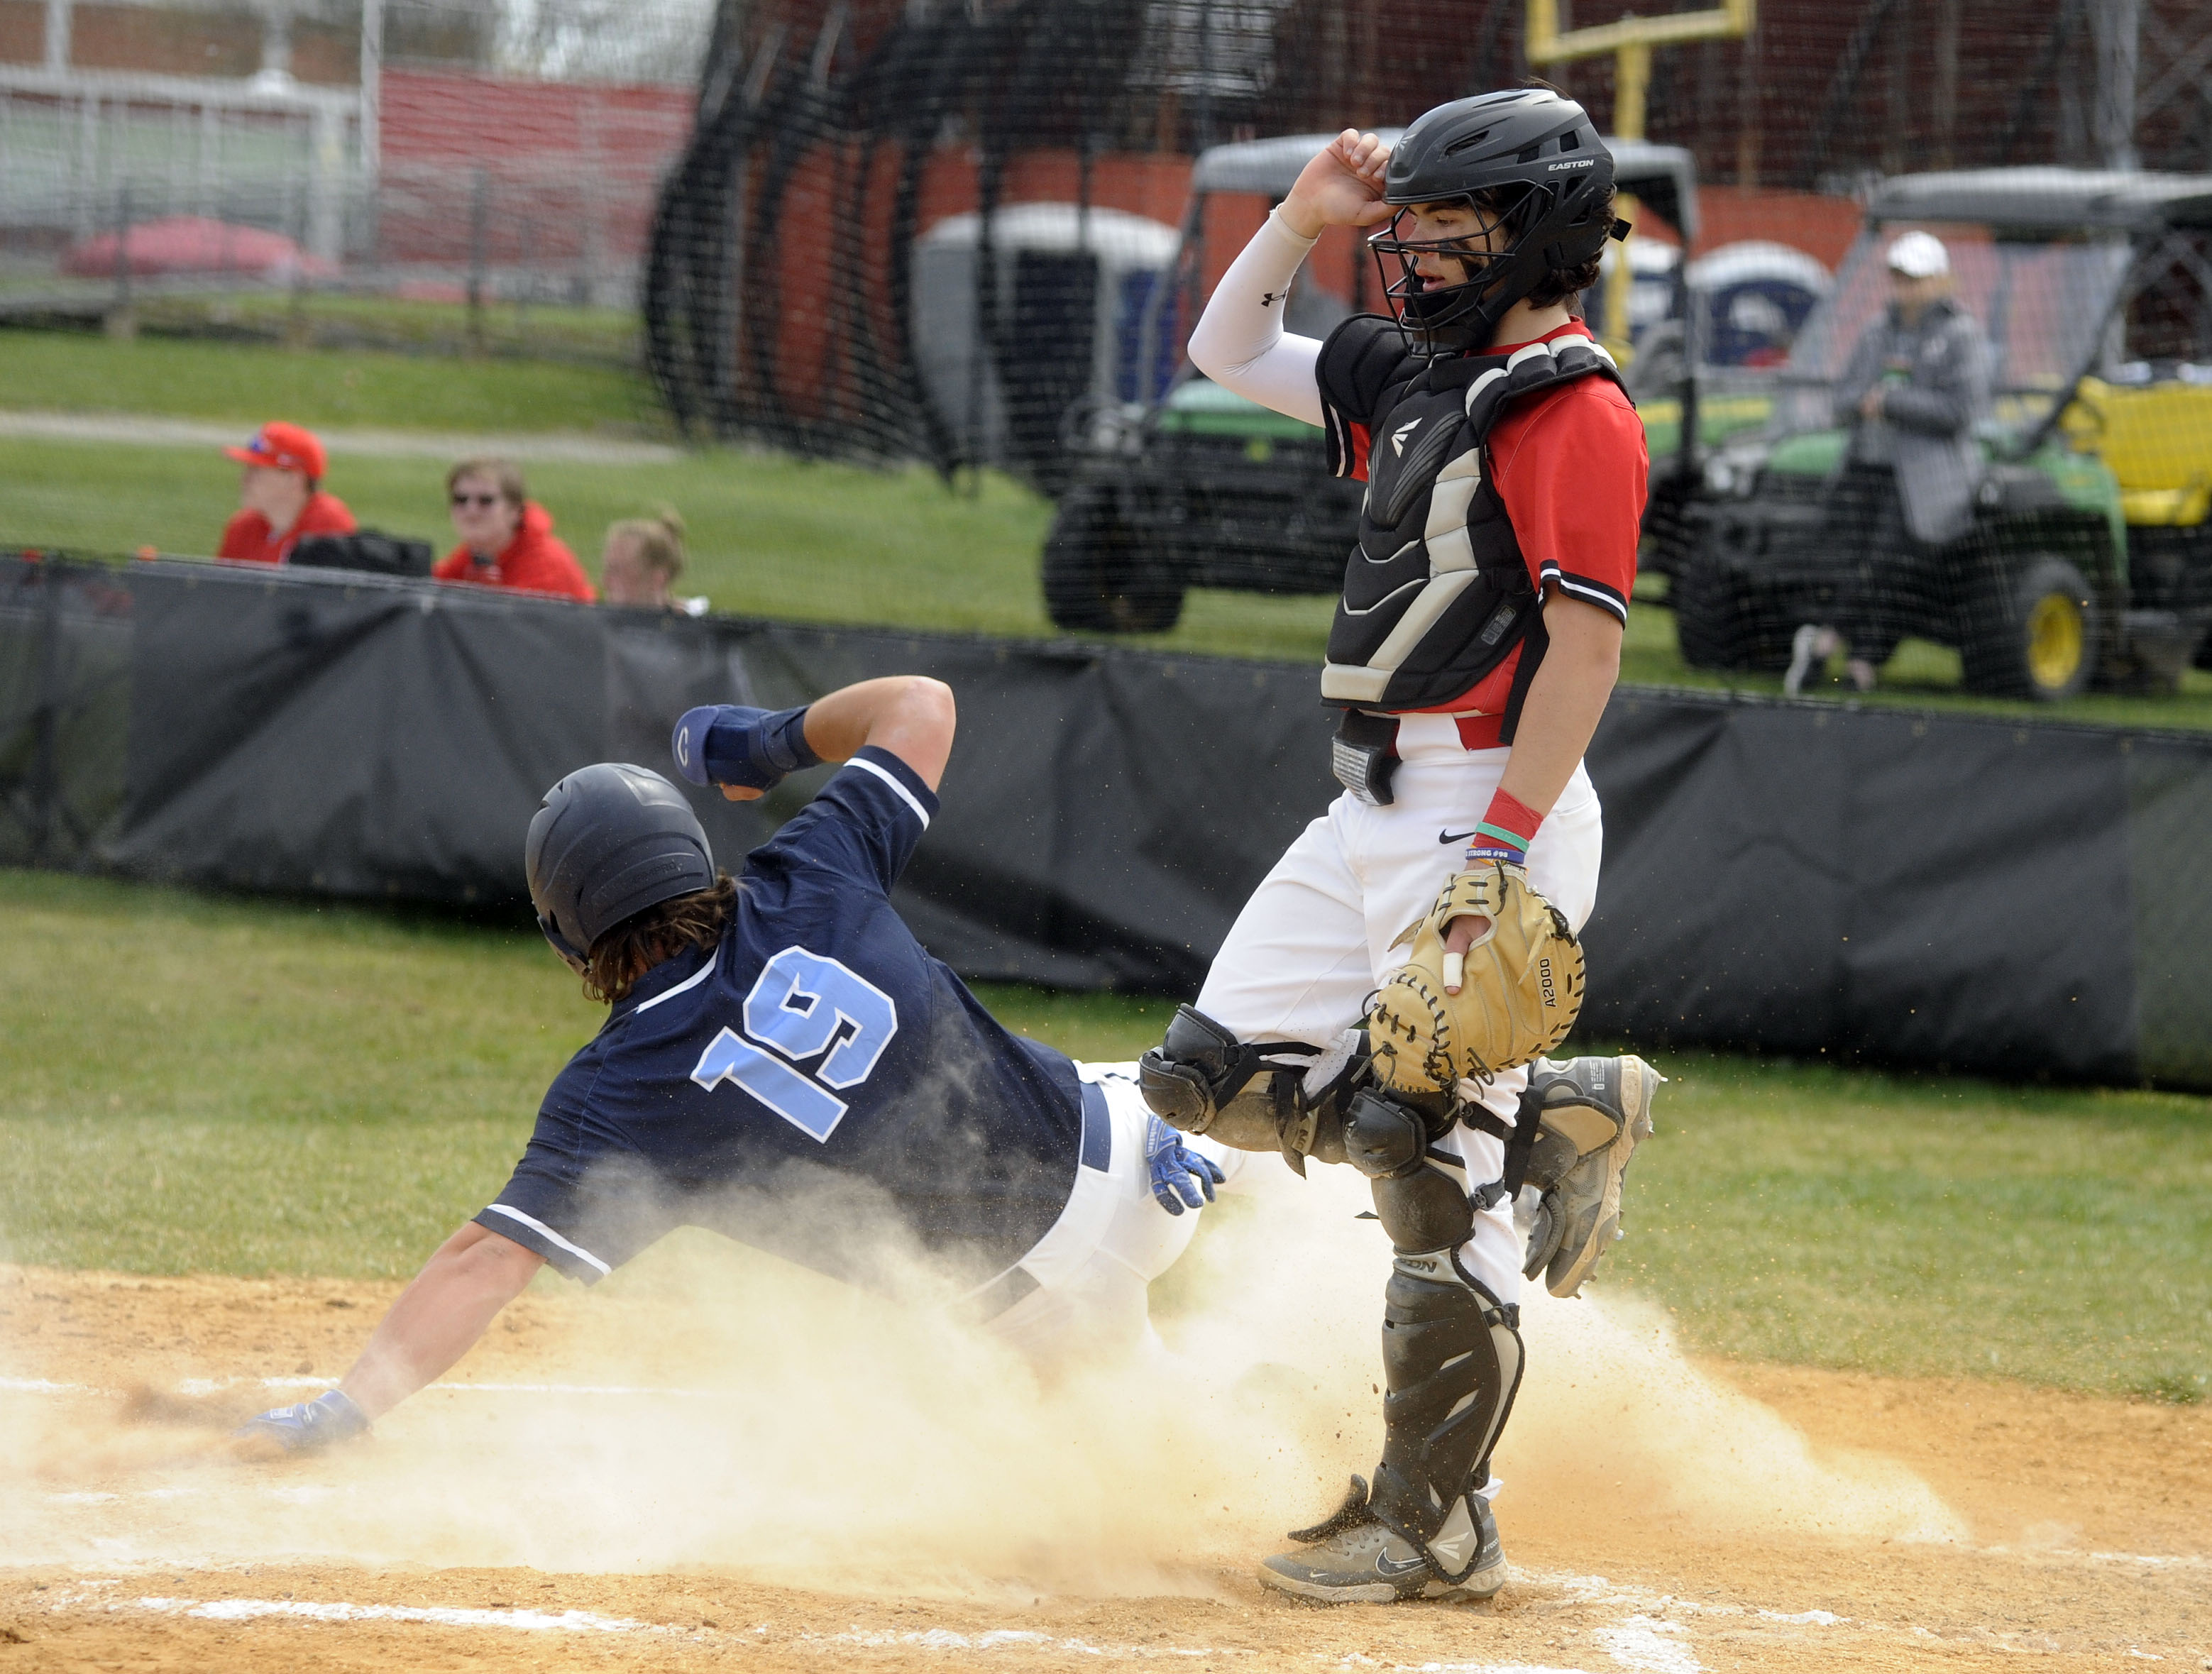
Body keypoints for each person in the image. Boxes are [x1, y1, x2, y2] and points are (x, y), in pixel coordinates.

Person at [1135, 92, 1661, 1606]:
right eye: (1413, 223)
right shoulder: (1421, 379)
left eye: (1451, 228)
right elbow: (1225, 350)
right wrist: (1303, 220)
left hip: (1485, 807)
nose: (1414, 251)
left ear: (1535, 238)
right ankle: (1553, 1107)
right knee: (1205, 1079)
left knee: (1416, 1153)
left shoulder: (1570, 406)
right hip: (1364, 803)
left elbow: (1581, 656)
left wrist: (1491, 861)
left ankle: (1437, 1519)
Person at [237, 676, 1245, 1453]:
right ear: (685, 847)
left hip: (1046, 1300)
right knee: (1303, 1110)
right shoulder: (807, 872)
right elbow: (922, 704)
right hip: (1139, 1137)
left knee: (1201, 1447)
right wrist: (763, 742)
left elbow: (487, 1260)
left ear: (570, 932)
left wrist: (349, 1403)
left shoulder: (621, 1088)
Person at [1785, 231, 1990, 695]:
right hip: (1867, 466)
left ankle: (1824, 643)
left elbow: (1960, 411)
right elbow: (1845, 395)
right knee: (1856, 563)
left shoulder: (1960, 334)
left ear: (1939, 280)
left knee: (1885, 566)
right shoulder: (1878, 329)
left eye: (1915, 277)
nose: (1904, 286)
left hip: (1925, 481)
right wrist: (1866, 401)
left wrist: (1893, 402)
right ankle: (1859, 666)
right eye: (1898, 276)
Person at [433, 458, 596, 602]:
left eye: (486, 501)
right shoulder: (477, 553)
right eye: (461, 500)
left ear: (515, 511)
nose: (471, 511)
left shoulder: (546, 564)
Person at [215, 422, 356, 564]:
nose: (244, 479)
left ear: (294, 479)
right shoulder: (242, 528)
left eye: (256, 470)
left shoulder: (328, 525)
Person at [600, 509, 695, 611]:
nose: (605, 582)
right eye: (608, 569)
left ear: (658, 579)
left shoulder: (692, 625)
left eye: (617, 571)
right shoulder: (590, 623)